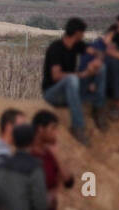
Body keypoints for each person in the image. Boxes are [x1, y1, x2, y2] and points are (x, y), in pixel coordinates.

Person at [40, 17, 106, 145]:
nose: (83, 36)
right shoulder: (56, 48)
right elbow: (56, 76)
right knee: (72, 79)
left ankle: (98, 109)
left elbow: (97, 53)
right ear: (77, 33)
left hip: (71, 90)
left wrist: (96, 61)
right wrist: (82, 74)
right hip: (53, 94)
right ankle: (78, 126)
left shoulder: (77, 45)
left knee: (101, 68)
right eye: (82, 33)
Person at [0, 108, 25, 188]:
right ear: (9, 127)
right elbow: (3, 182)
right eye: (22, 126)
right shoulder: (0, 150)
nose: (25, 130)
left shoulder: (3, 148)